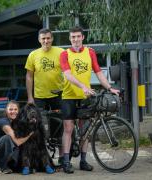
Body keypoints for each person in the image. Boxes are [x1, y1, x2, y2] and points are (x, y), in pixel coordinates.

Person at [60, 26, 120, 174]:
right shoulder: (64, 54)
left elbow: (99, 72)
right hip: (69, 96)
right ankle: (66, 162)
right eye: (72, 37)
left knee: (85, 129)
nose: (75, 39)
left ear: (82, 37)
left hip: (85, 97)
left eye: (78, 36)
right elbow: (67, 74)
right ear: (70, 39)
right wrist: (82, 86)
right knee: (68, 129)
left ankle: (83, 161)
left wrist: (109, 88)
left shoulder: (90, 52)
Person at [25, 28, 64, 164]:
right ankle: (43, 159)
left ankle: (63, 159)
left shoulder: (61, 52)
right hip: (39, 96)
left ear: (52, 38)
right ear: (39, 40)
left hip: (58, 94)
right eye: (43, 39)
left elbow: (68, 72)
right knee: (39, 127)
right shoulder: (33, 55)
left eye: (48, 38)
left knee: (61, 126)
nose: (46, 41)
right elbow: (29, 76)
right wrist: (30, 97)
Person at [0, 101, 33, 174]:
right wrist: (30, 134)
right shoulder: (4, 122)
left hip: (5, 148)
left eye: (15, 109)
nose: (13, 111)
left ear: (19, 111)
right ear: (6, 111)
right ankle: (4, 167)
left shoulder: (18, 122)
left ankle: (17, 166)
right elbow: (17, 141)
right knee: (8, 138)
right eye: (10, 109)